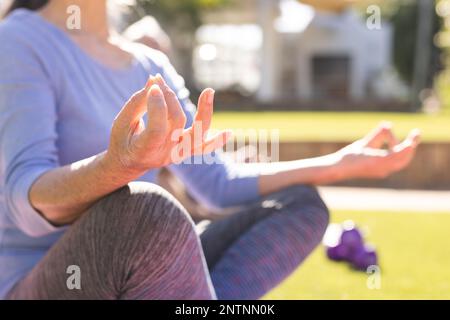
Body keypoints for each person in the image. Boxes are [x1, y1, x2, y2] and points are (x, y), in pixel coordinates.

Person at [0, 0, 420, 300]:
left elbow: (216, 185)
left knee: (300, 204)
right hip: (46, 281)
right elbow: (27, 204)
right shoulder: (19, 41)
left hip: (141, 268)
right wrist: (118, 166)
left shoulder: (150, 65)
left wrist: (335, 164)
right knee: (148, 209)